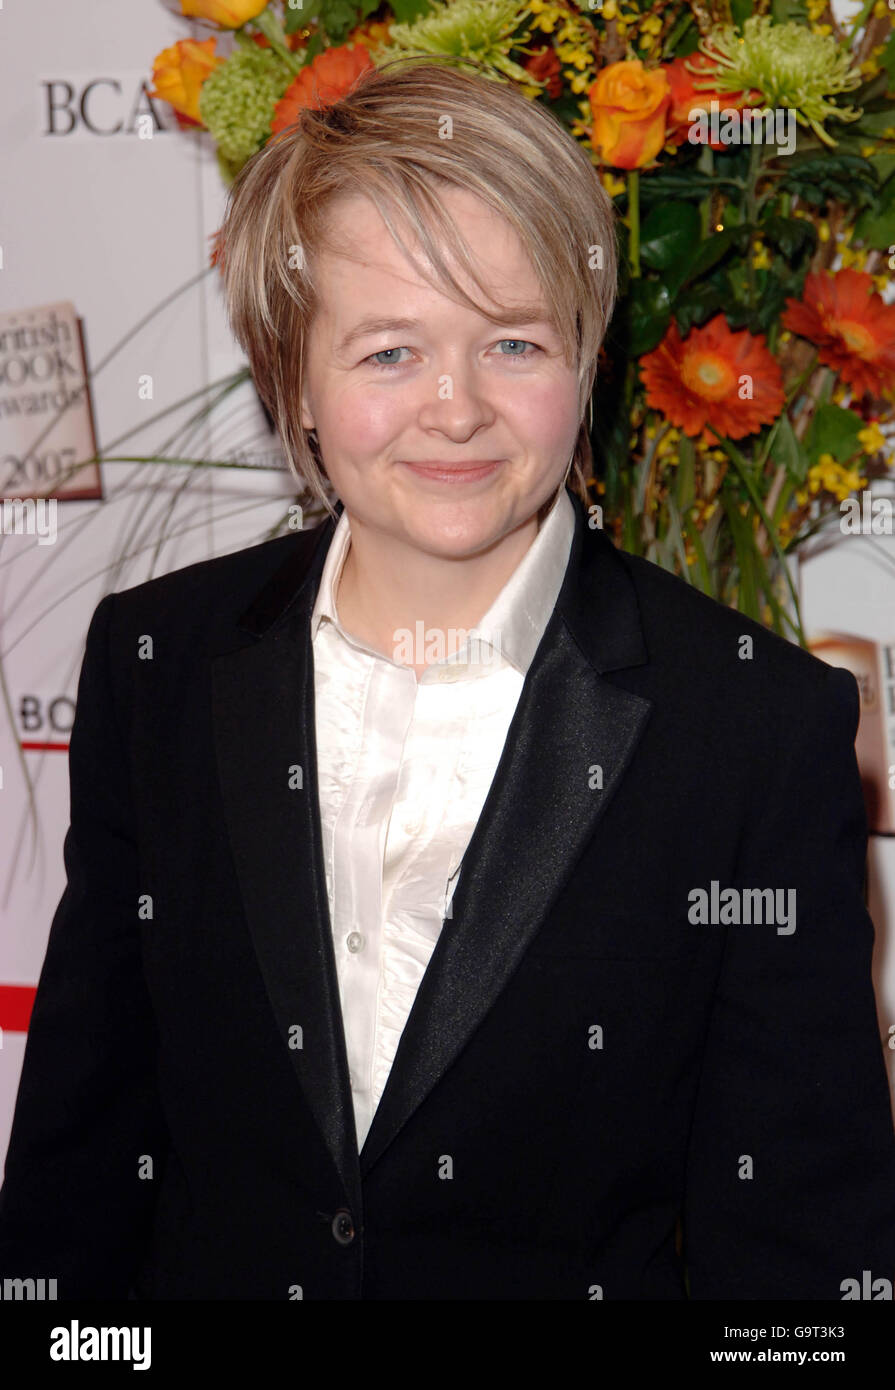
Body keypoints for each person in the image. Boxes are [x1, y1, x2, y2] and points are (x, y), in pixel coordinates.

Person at [1, 56, 893, 1301]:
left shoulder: (751, 725)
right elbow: (77, 1172)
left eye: (512, 341)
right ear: (292, 385)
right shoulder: (157, 667)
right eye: (385, 354)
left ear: (583, 360)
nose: (455, 408)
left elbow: (795, 1253)